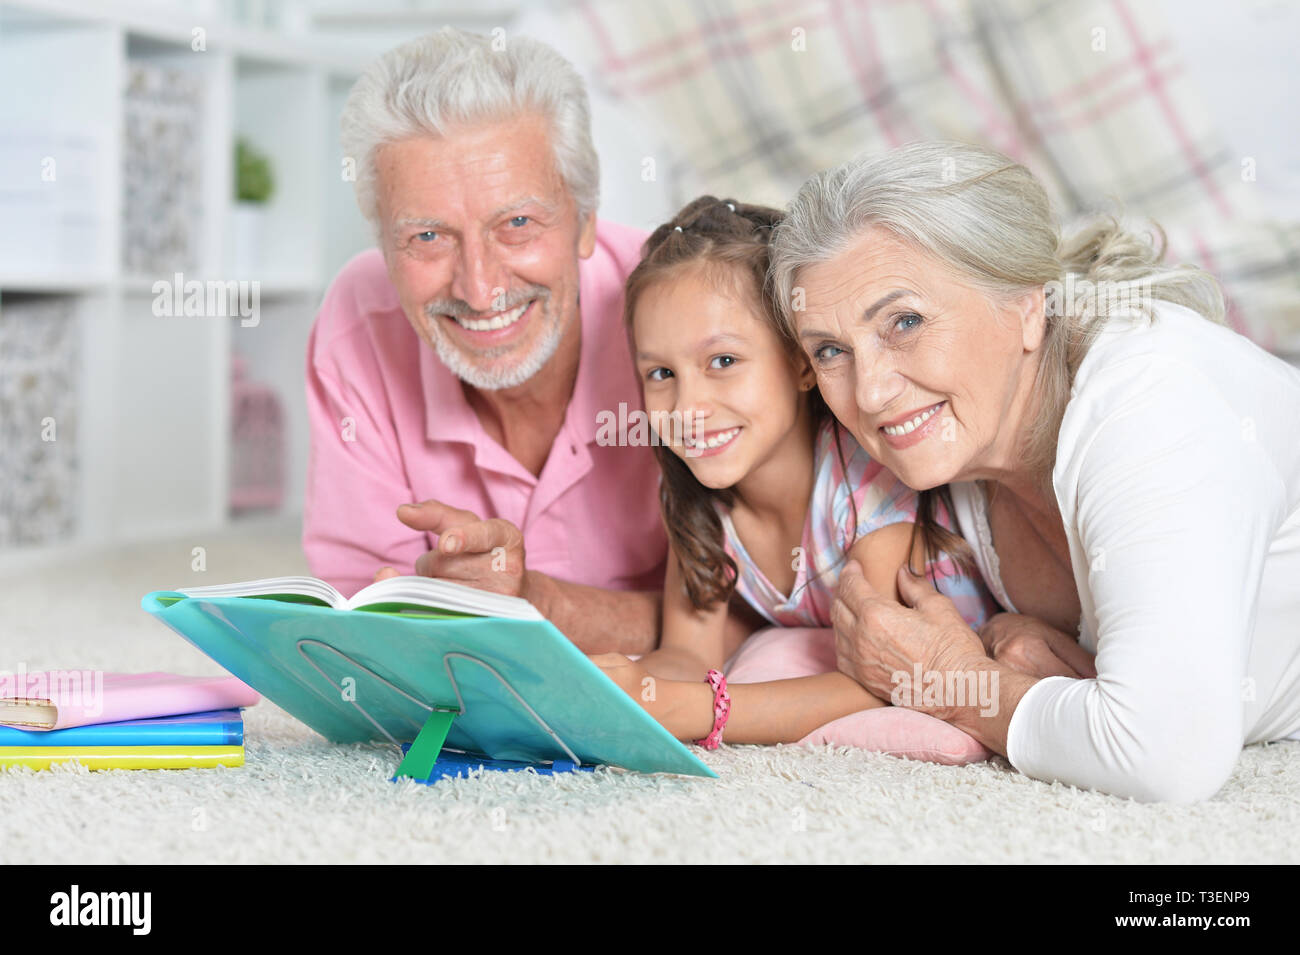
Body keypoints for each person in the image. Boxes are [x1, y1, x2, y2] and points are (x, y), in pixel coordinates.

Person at [770, 140, 1300, 802]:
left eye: (905, 321)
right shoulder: (959, 444)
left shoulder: (1150, 400)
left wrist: (947, 679)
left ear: (1024, 305)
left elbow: (1165, 751)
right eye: (830, 350)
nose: (871, 392)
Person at [302, 28, 756, 655]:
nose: (481, 290)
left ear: (586, 220)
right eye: (428, 238)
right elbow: (354, 623)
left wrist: (531, 604)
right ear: (384, 246)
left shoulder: (697, 324)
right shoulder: (359, 319)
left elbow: (772, 620)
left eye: (517, 224)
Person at [592, 196, 998, 744]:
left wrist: (698, 711)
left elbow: (880, 680)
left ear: (802, 364)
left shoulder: (869, 482)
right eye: (661, 372)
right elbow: (688, 653)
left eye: (723, 362)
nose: (686, 408)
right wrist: (627, 686)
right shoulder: (702, 502)